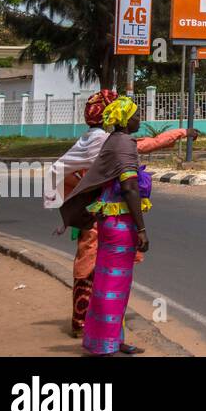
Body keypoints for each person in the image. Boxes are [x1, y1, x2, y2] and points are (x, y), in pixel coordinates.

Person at [46, 90, 188, 336]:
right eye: (134, 115)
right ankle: (93, 325)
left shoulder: (94, 137)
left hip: (93, 209)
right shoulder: (106, 140)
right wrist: (180, 132)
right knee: (100, 268)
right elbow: (132, 179)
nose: (139, 120)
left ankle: (92, 323)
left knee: (97, 265)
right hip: (102, 214)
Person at [60, 97, 153, 356]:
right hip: (119, 223)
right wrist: (142, 229)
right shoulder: (123, 144)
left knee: (115, 285)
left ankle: (113, 338)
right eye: (135, 115)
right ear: (124, 119)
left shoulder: (116, 140)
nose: (139, 119)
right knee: (111, 287)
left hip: (114, 222)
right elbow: (129, 187)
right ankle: (105, 345)